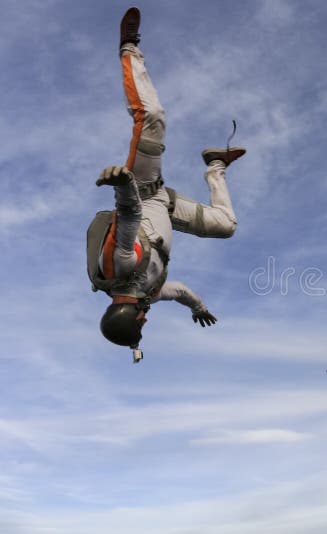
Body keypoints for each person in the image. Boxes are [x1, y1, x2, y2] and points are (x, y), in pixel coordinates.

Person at [87, 7, 247, 362]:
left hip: (141, 188)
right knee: (226, 227)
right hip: (168, 208)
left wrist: (124, 182)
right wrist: (199, 307)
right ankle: (215, 165)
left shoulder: (118, 268)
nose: (146, 319)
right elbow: (181, 292)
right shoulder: (149, 294)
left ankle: (129, 48)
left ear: (128, 315)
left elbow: (127, 216)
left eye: (140, 323)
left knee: (153, 118)